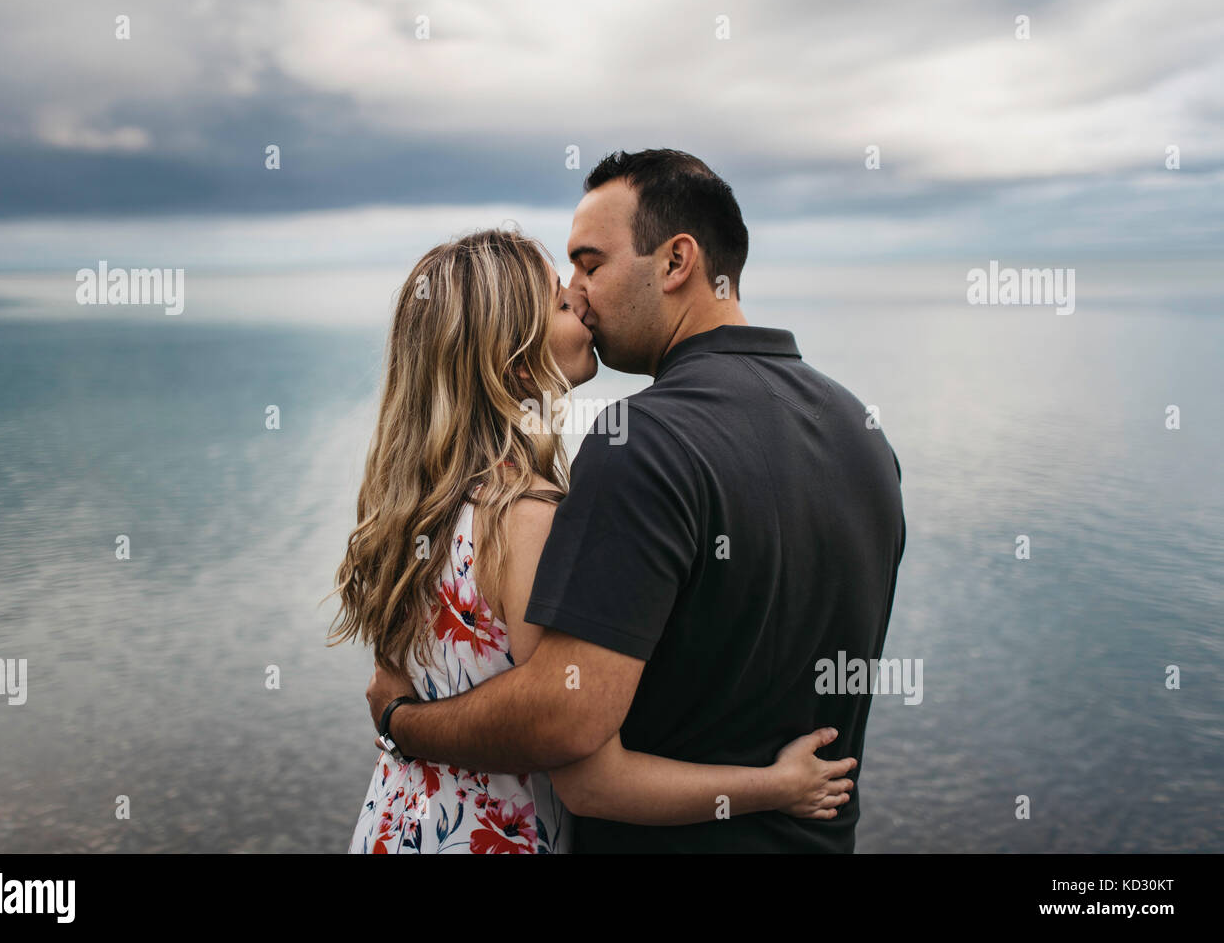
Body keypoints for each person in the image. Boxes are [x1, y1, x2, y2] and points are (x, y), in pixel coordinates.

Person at [365, 149, 906, 853]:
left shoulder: (637, 442)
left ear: (677, 263)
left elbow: (567, 726)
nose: (581, 293)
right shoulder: (861, 431)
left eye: (589, 266)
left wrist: (401, 724)